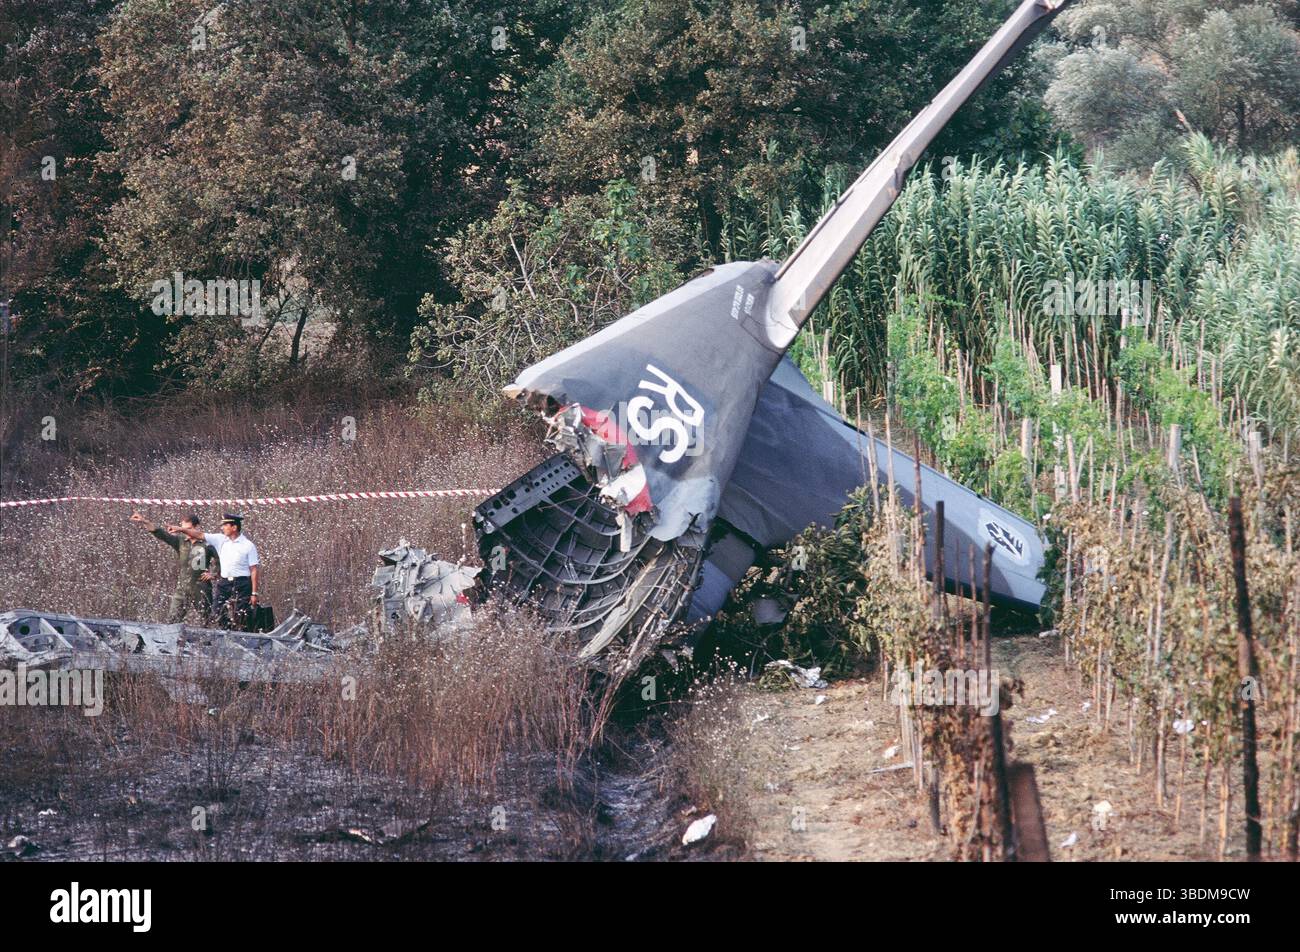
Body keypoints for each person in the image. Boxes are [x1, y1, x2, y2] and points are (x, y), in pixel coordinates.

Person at [172, 513, 260, 630]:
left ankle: (242, 635)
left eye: (226, 525)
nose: (223, 528)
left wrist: (254, 593)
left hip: (242, 583)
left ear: (234, 527)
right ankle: (228, 630)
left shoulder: (248, 545)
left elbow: (254, 570)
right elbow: (199, 534)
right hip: (225, 583)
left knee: (241, 614)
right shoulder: (220, 539)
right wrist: (181, 530)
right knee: (216, 613)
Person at [130, 510, 220, 624]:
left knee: (206, 619)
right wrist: (144, 521)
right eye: (183, 528)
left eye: (189, 528)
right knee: (173, 619)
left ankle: (209, 640)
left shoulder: (207, 544)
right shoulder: (180, 541)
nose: (186, 531)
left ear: (197, 527)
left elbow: (220, 560)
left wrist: (214, 574)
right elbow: (161, 533)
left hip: (200, 587)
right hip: (182, 587)